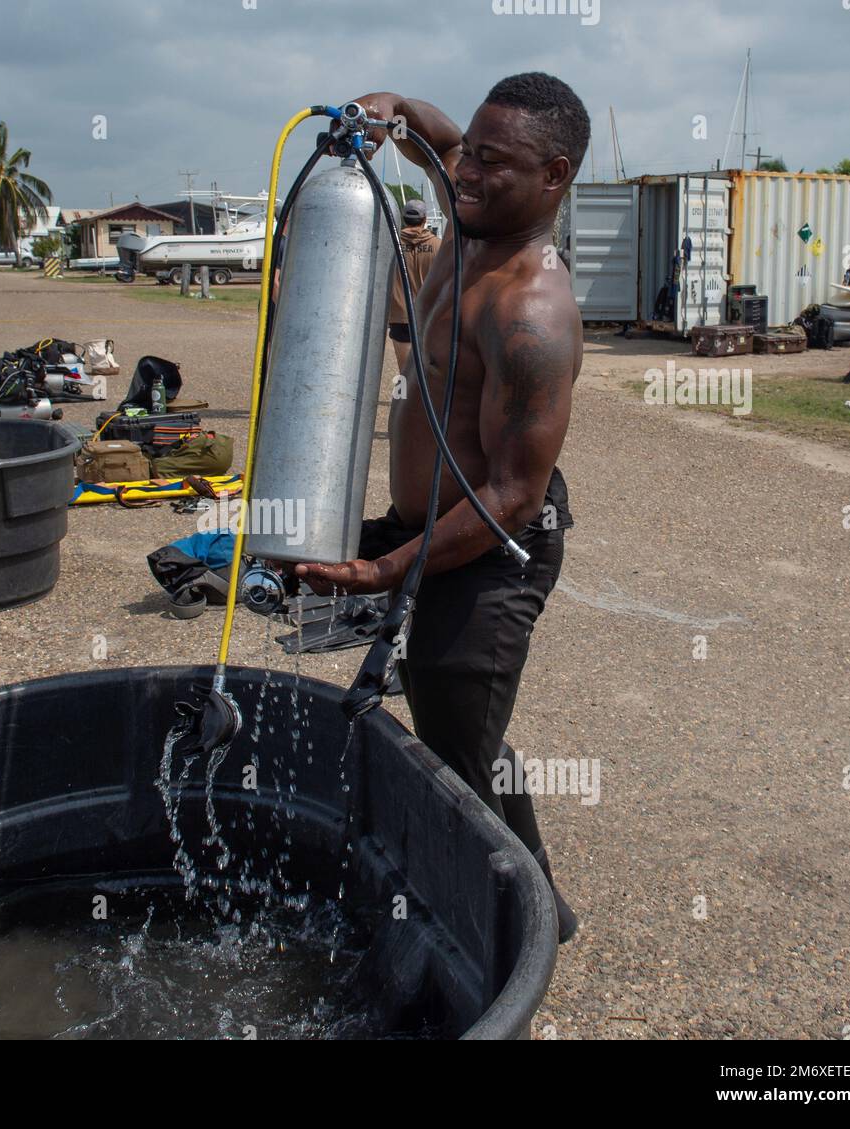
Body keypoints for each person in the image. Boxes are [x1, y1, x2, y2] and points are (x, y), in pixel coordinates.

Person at [294, 73, 588, 942]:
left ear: (553, 176)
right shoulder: (468, 208)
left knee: (458, 725)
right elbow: (436, 134)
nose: (464, 170)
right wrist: (388, 104)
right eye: (471, 152)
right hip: (426, 518)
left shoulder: (531, 309)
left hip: (499, 540)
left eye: (494, 162)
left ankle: (535, 916)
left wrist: (385, 568)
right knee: (289, 561)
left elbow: (511, 494)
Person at [387, 198, 442, 373]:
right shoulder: (438, 246)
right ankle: (422, 399)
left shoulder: (392, 244)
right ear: (425, 219)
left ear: (403, 218)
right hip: (428, 314)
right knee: (426, 369)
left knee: (403, 368)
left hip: (400, 315)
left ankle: (401, 397)